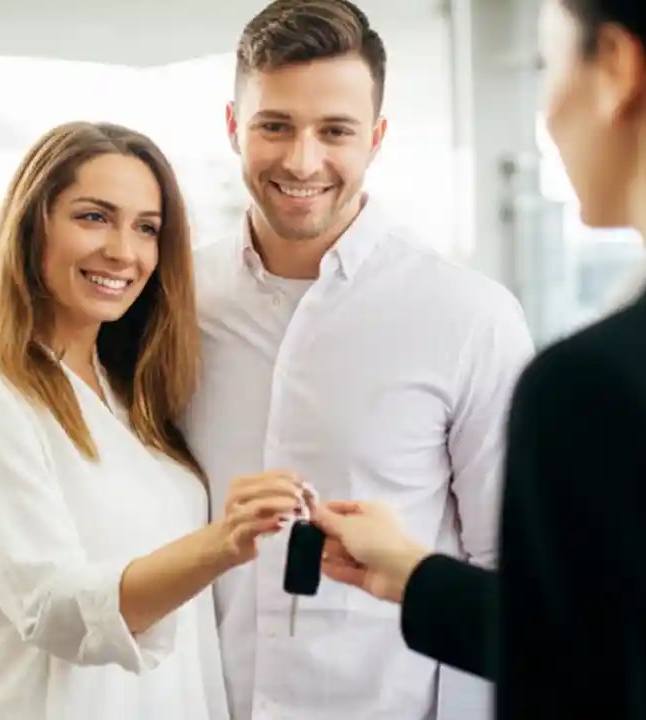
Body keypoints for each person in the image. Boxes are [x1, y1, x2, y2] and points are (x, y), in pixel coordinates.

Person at [313, 0, 646, 718]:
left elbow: (593, 681)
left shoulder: (606, 385)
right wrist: (418, 576)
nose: (544, 114)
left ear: (617, 67)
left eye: (548, 66)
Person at [180, 1, 535, 718]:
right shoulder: (175, 300)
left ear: (374, 139)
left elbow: (516, 571)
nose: (301, 160)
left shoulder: (470, 317)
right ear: (231, 128)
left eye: (334, 131)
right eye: (273, 125)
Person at [0, 121, 307, 720]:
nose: (124, 251)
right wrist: (220, 542)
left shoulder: (130, 399)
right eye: (94, 216)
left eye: (146, 228)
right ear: (33, 223)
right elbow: (54, 610)